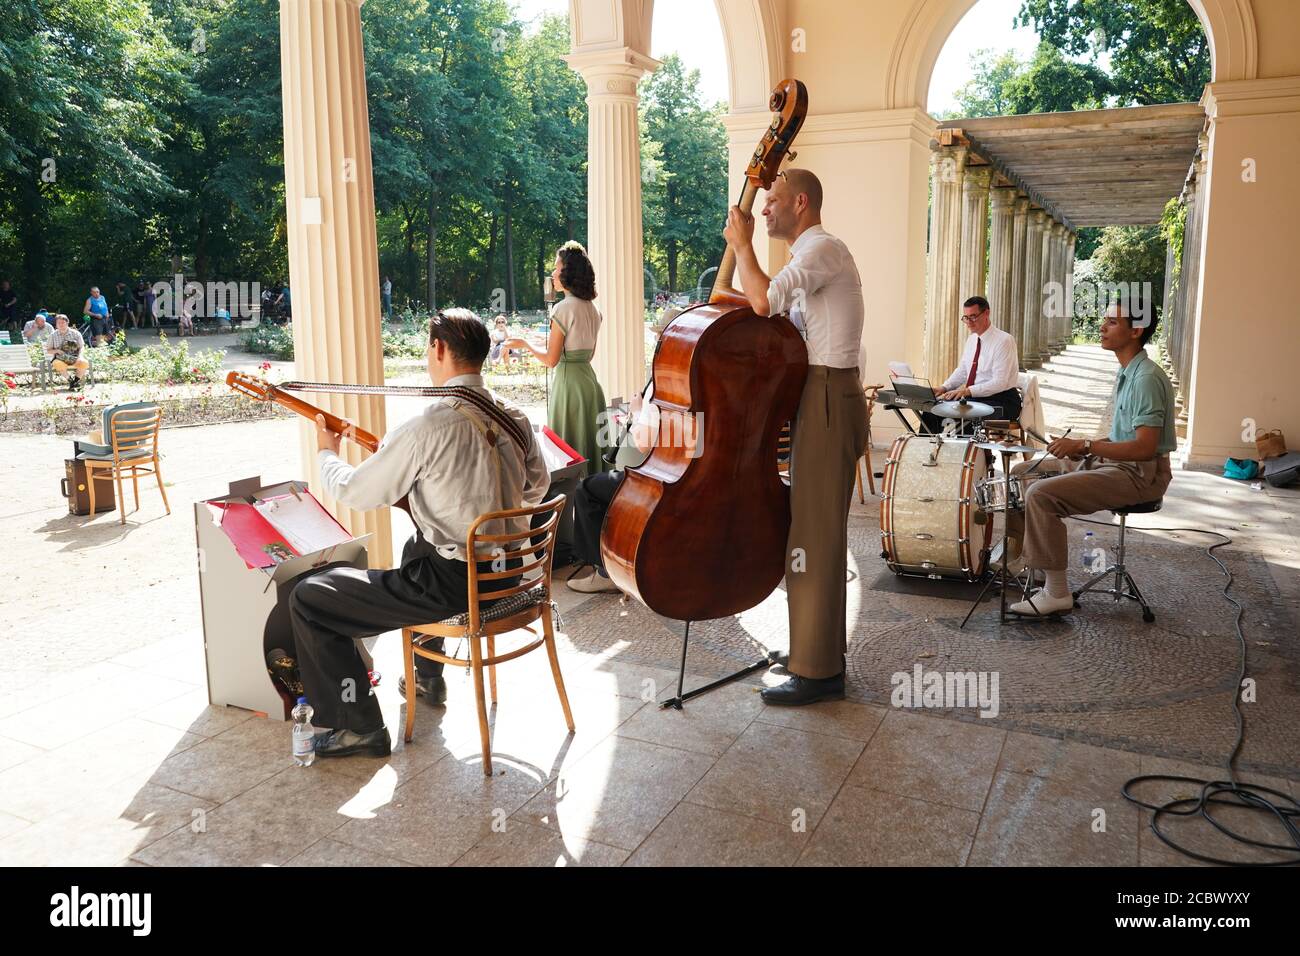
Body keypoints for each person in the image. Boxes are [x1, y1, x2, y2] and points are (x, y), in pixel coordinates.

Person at [270, 309, 549, 758]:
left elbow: (355, 491)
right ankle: (426, 676)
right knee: (415, 543)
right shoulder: (515, 416)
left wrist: (326, 452)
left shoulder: (429, 426)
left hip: (458, 586)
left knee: (310, 597)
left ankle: (357, 725)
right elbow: (537, 487)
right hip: (512, 577)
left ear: (438, 349)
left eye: (427, 346)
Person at [724, 167, 868, 706]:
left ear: (801, 202)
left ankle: (818, 671)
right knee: (813, 532)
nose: (763, 209)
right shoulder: (812, 256)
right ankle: (815, 650)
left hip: (829, 397)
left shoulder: (822, 249)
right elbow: (770, 311)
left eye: (774, 200)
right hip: (821, 395)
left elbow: (765, 301)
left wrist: (742, 246)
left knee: (814, 535)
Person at [1005, 302, 1175, 616]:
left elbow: (1144, 449)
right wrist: (1079, 447)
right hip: (1118, 464)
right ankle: (1037, 567)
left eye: (1112, 321)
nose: (1102, 326)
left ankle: (1056, 594)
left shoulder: (1145, 379)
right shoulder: (1129, 370)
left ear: (1136, 331)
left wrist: (1085, 445)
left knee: (1041, 494)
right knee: (1023, 472)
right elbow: (1123, 438)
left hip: (1140, 475)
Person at [505, 241, 606, 476]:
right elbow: (585, 354)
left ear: (567, 272)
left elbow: (552, 360)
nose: (553, 273)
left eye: (556, 267)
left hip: (568, 386)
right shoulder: (594, 310)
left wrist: (526, 344)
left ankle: (567, 504)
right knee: (589, 443)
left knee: (567, 450)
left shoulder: (562, 309)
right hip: (589, 384)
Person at [919, 295, 1021, 436]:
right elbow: (962, 370)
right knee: (932, 409)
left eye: (973, 317)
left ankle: (973, 456)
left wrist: (967, 391)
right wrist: (943, 387)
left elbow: (1000, 382)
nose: (969, 322)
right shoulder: (972, 340)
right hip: (976, 398)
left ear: (986, 313)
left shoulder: (1004, 341)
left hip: (1003, 400)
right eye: (966, 318)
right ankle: (927, 452)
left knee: (965, 414)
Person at [45, 315, 90, 390]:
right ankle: (71, 382)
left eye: (63, 322)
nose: (61, 324)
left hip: (74, 357)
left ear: (67, 323)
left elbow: (81, 347)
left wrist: (80, 356)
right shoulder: (52, 335)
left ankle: (75, 381)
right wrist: (57, 351)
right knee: (57, 363)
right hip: (60, 359)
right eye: (58, 323)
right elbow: (49, 350)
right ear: (56, 324)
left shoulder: (76, 333)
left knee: (84, 362)